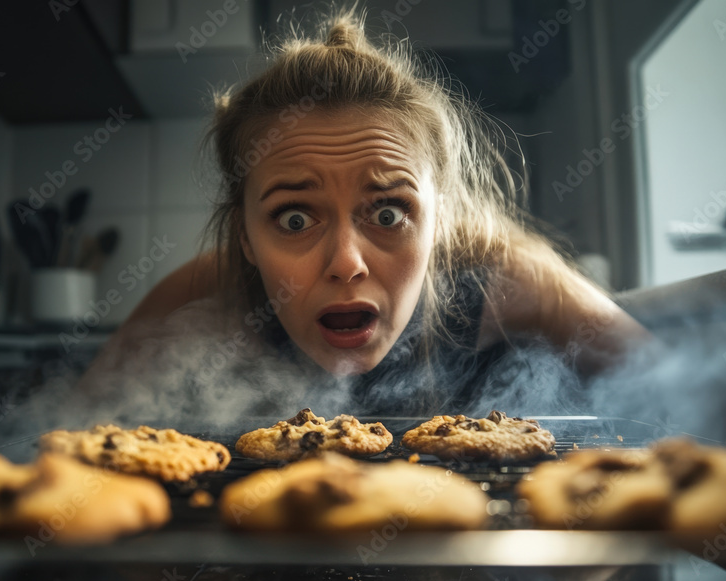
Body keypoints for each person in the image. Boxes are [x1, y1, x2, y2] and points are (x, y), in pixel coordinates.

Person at [78, 8, 651, 423]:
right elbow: (69, 439)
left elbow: (677, 397)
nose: (347, 264)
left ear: (441, 223)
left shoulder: (516, 281)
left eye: (389, 212)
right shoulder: (204, 294)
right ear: (244, 239)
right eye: (295, 219)